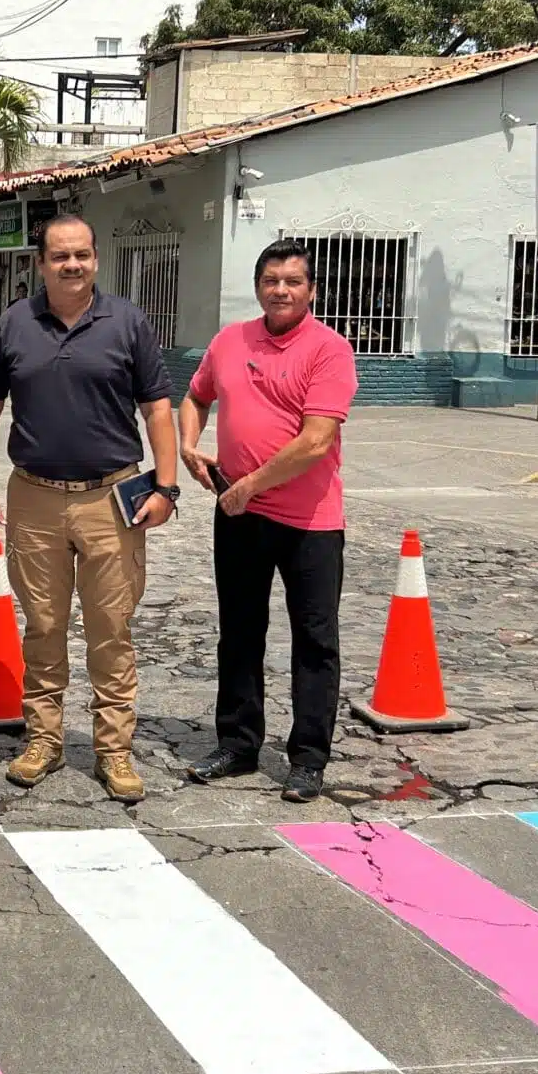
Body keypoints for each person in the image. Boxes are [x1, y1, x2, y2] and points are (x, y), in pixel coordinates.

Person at [0, 214, 180, 804]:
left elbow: (158, 409)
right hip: (33, 497)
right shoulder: (15, 322)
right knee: (42, 625)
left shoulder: (128, 322)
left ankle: (114, 749)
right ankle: (44, 739)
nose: (72, 265)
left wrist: (165, 489)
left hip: (110, 498)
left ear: (96, 259)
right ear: (40, 264)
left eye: (82, 255)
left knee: (110, 628)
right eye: (60, 256)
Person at [179, 238, 358, 803]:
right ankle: (237, 743)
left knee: (314, 640)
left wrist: (249, 486)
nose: (281, 290)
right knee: (239, 632)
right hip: (238, 516)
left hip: (309, 520)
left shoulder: (330, 349)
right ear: (258, 286)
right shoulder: (230, 341)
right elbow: (195, 396)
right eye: (272, 280)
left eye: (293, 281)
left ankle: (307, 758)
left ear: (311, 291)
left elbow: (317, 440)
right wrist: (189, 448)